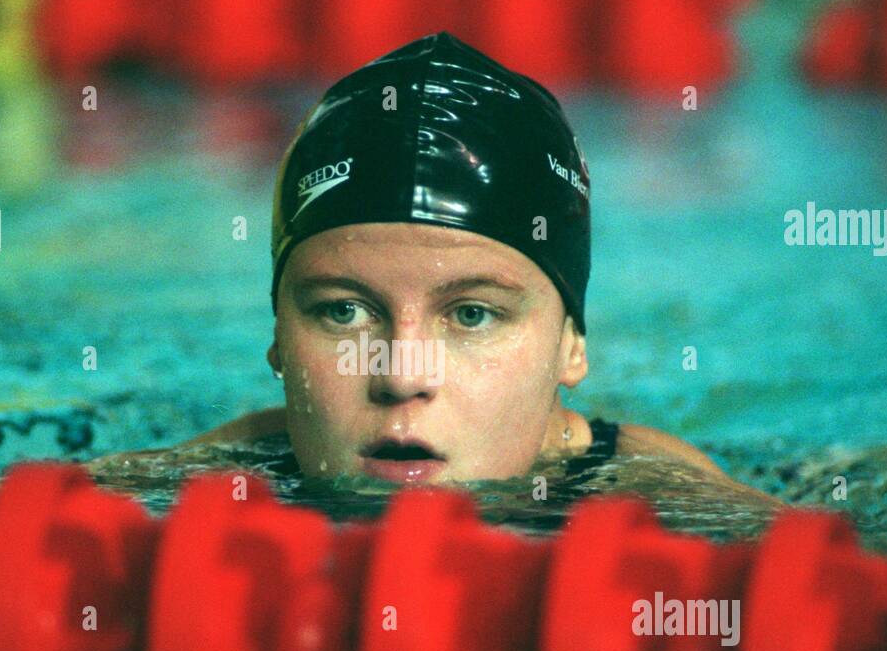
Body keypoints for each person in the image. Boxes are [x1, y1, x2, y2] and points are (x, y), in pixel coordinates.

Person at [90, 32, 780, 508]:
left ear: (571, 344)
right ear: (276, 336)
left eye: (473, 314)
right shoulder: (230, 473)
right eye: (343, 311)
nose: (401, 376)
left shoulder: (662, 497)